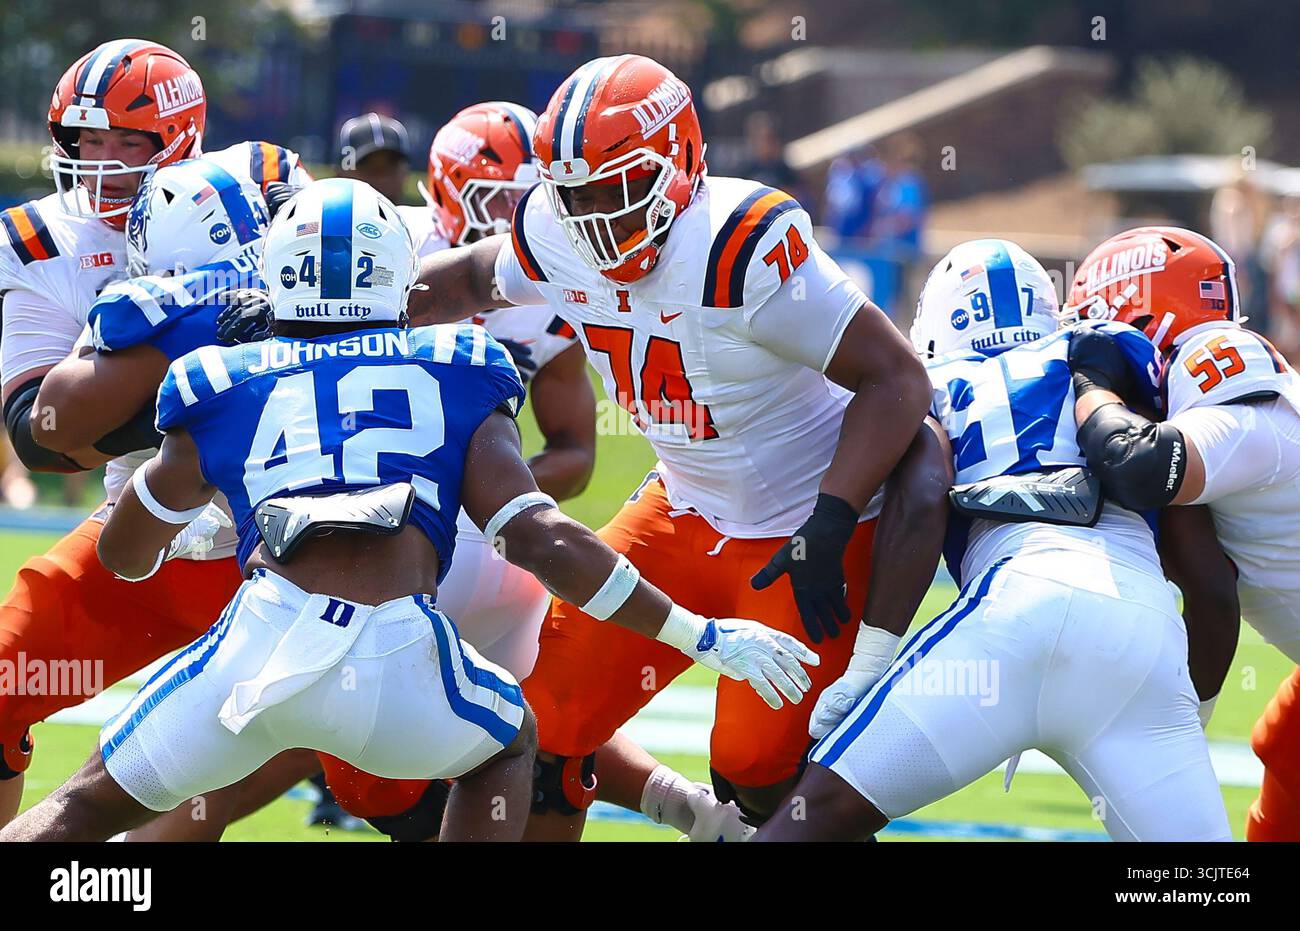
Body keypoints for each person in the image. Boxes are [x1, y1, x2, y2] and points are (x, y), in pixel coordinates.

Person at [0, 177, 819, 843]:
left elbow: (126, 557)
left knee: (88, 807)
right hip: (401, 657)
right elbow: (540, 534)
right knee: (510, 745)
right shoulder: (459, 359)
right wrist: (698, 633)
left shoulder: (218, 378)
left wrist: (178, 487)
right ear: (401, 273)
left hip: (255, 650)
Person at [404, 54, 931, 837]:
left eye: (614, 190)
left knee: (759, 769)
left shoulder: (739, 243)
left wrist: (832, 514)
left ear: (681, 160)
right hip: (682, 505)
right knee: (542, 720)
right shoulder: (554, 231)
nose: (592, 217)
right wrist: (347, 302)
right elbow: (474, 276)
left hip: (805, 531)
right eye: (573, 194)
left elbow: (897, 380)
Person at [756, 239, 1233, 842]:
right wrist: (1184, 711)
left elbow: (925, 497)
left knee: (810, 822)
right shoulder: (1107, 368)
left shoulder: (928, 384)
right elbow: (1210, 583)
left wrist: (867, 666)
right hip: (1138, 626)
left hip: (1010, 614)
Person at [0, 38, 307, 825]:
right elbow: (37, 434)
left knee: (384, 776)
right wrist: (202, 383)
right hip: (150, 537)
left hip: (296, 544)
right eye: (84, 141)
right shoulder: (44, 239)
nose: (99, 161)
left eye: (125, 141)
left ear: (180, 134)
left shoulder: (267, 184)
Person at [1062, 225, 1300, 840]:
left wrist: (1093, 383)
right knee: (1284, 741)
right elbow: (1208, 580)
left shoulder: (1237, 410)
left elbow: (1137, 465)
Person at [338, 112, 412, 204]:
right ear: (341, 174)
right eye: (367, 166)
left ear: (405, 173)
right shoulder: (319, 217)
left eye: (391, 165)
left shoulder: (423, 217)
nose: (381, 177)